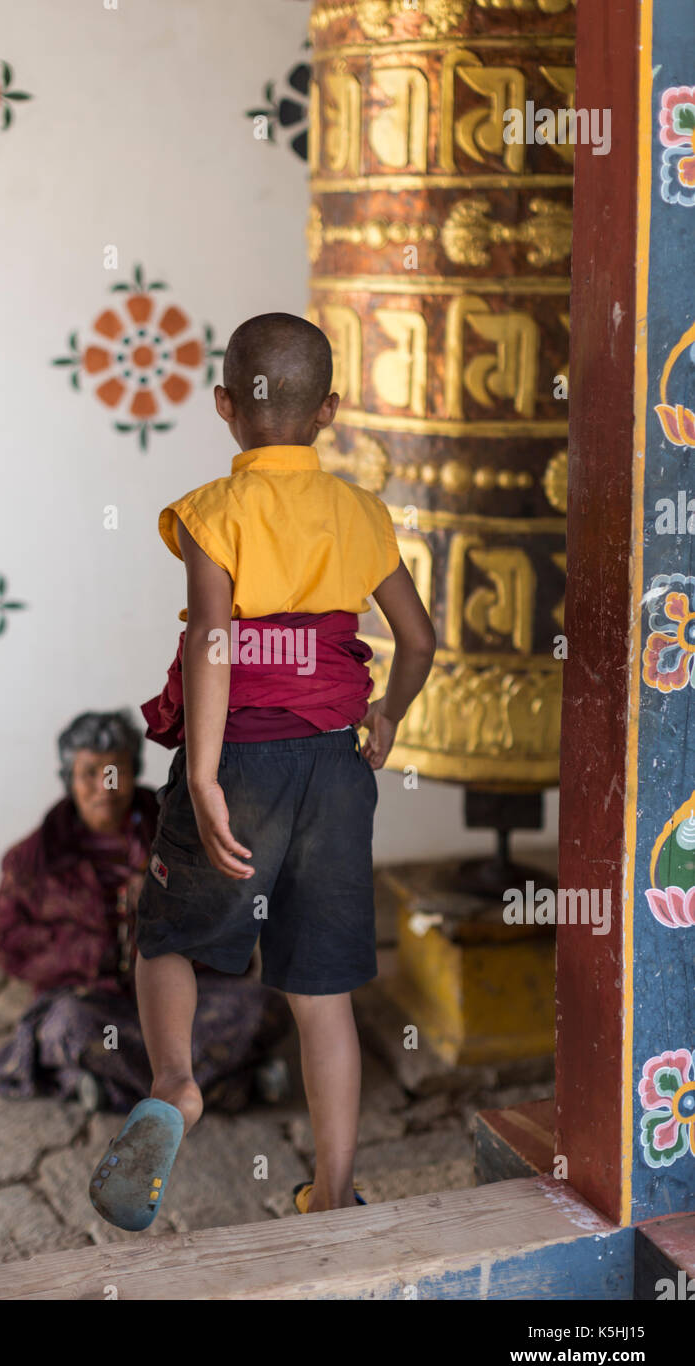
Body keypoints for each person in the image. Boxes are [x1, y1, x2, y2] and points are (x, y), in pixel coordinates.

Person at [88, 313, 435, 1232]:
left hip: (241, 757)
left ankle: (175, 1085)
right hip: (335, 767)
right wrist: (388, 709)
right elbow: (421, 637)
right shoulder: (361, 512)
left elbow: (214, 639)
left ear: (226, 408)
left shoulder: (213, 512)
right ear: (328, 409)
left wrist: (201, 778)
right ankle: (333, 1190)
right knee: (322, 991)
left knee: (167, 937)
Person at [0, 709, 292, 1114]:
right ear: (68, 780)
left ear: (136, 772)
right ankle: (225, 1083)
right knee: (69, 1026)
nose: (105, 787)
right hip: (98, 1000)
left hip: (182, 998)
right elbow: (5, 941)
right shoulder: (34, 858)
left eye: (117, 772)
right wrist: (97, 952)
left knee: (260, 1006)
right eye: (90, 773)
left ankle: (110, 1088)